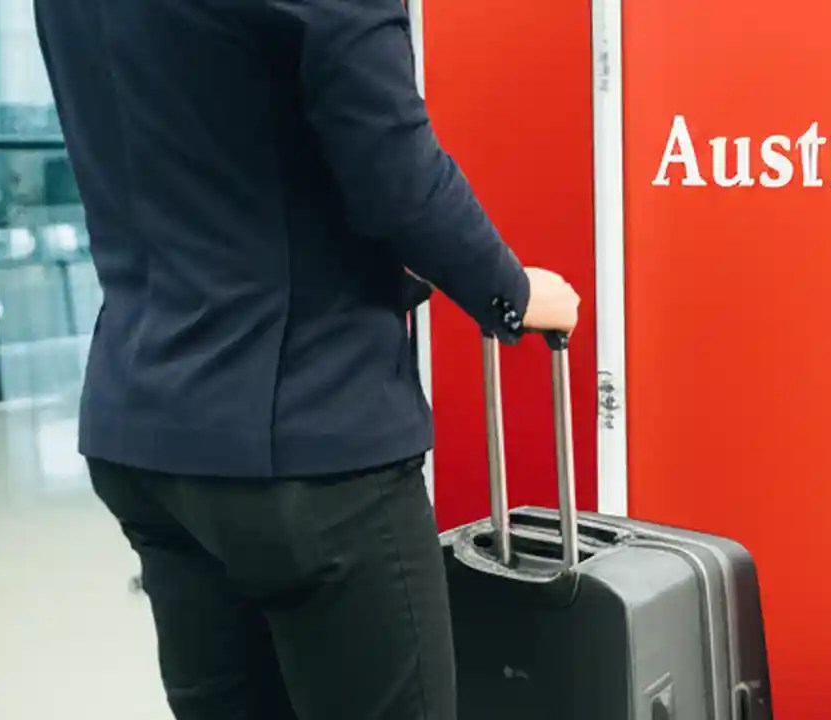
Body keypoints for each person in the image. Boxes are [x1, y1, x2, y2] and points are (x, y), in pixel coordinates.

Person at [34, 1, 580, 718]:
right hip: (307, 439)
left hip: (143, 430)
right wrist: (513, 293)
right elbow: (397, 175)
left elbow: (199, 148)